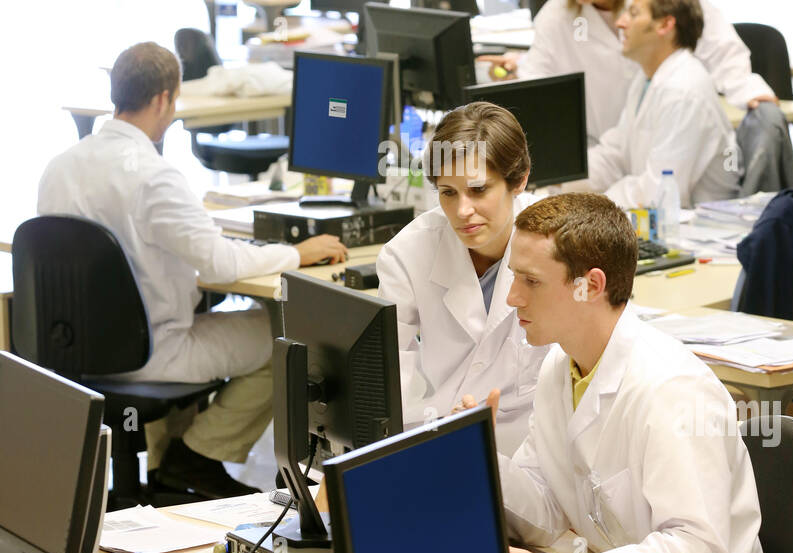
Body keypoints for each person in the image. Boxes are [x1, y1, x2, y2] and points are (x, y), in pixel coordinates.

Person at [37, 42, 347, 499]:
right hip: (152, 355)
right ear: (165, 98)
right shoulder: (153, 175)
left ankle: (168, 469)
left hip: (77, 355)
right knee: (286, 341)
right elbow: (221, 262)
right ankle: (195, 457)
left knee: (209, 319)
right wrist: (297, 253)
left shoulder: (58, 167)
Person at [466, 193, 772, 553]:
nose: (512, 297)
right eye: (513, 276)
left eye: (531, 281)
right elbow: (549, 509)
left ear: (590, 286)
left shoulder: (672, 388)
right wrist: (482, 454)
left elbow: (700, 552)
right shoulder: (561, 365)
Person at [489, 0, 776, 145]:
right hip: (607, 145)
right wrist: (513, 74)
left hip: (671, 136)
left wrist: (745, 88)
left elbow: (716, 40)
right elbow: (536, 84)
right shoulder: (556, 15)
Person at [375, 102, 549, 457]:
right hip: (436, 438)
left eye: (479, 190)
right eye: (448, 193)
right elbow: (388, 381)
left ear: (520, 180)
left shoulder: (558, 244)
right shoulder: (407, 254)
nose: (462, 211)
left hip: (533, 451)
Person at [576, 0, 739, 208]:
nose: (621, 22)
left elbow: (660, 193)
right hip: (662, 223)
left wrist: (589, 206)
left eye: (633, 13)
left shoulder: (684, 90)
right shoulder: (646, 79)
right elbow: (615, 154)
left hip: (694, 228)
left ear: (665, 25)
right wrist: (558, 186)